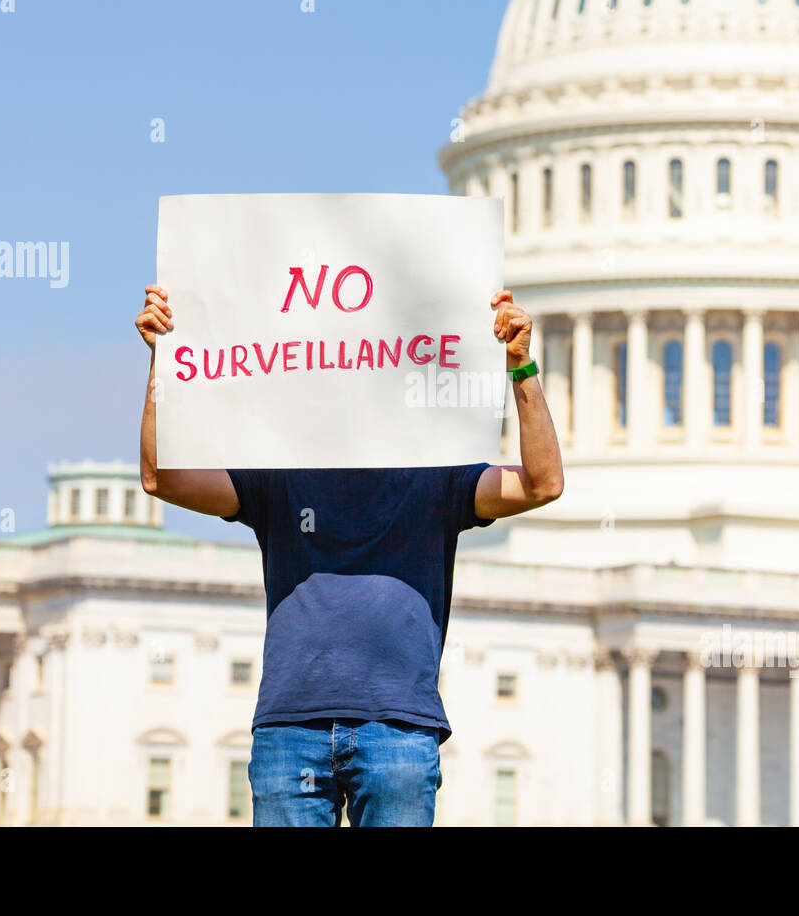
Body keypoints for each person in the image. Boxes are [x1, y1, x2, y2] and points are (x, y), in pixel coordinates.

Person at [135, 283, 563, 826]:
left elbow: (543, 484)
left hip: (398, 730)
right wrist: (162, 359)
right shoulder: (278, 476)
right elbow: (160, 478)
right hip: (291, 730)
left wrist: (521, 369)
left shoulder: (438, 480)